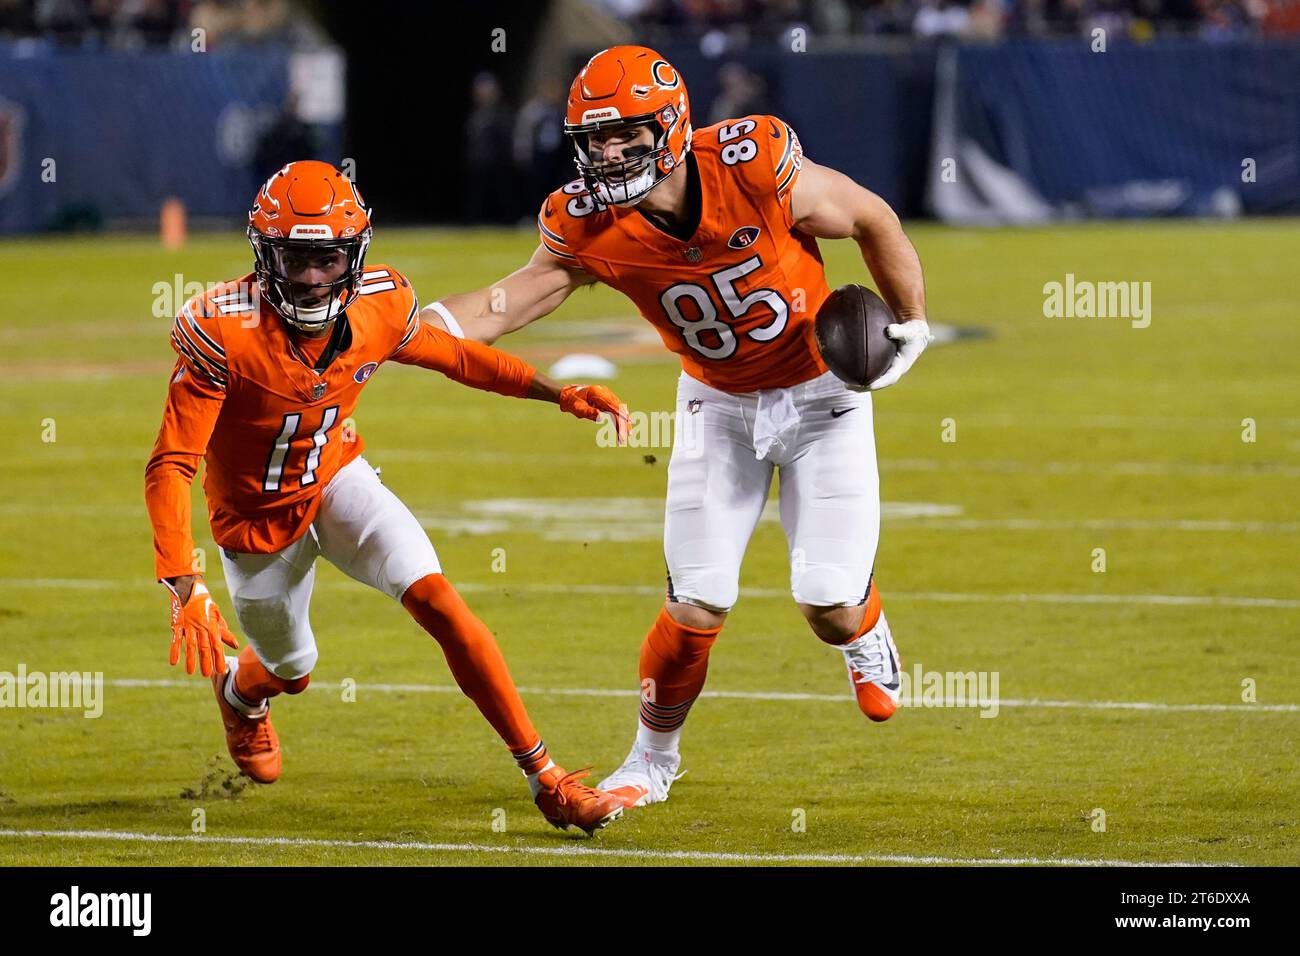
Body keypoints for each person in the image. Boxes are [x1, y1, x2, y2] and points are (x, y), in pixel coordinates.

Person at [421, 47, 932, 809]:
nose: (608, 153)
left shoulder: (752, 165)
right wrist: (413, 328)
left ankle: (862, 632)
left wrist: (912, 325)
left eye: (625, 134)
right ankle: (651, 763)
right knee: (696, 603)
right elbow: (509, 301)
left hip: (822, 394)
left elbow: (870, 216)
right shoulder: (588, 220)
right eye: (594, 139)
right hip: (715, 404)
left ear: (671, 125)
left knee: (827, 602)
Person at [144, 160, 629, 834]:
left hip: (338, 476)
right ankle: (240, 690)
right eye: (296, 259)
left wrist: (556, 392)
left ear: (355, 255)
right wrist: (182, 581)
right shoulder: (221, 329)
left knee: (439, 600)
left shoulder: (377, 305)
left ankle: (546, 778)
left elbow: (459, 356)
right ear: (264, 256)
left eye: (329, 259)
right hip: (256, 526)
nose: (314, 277)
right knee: (293, 669)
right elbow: (171, 463)